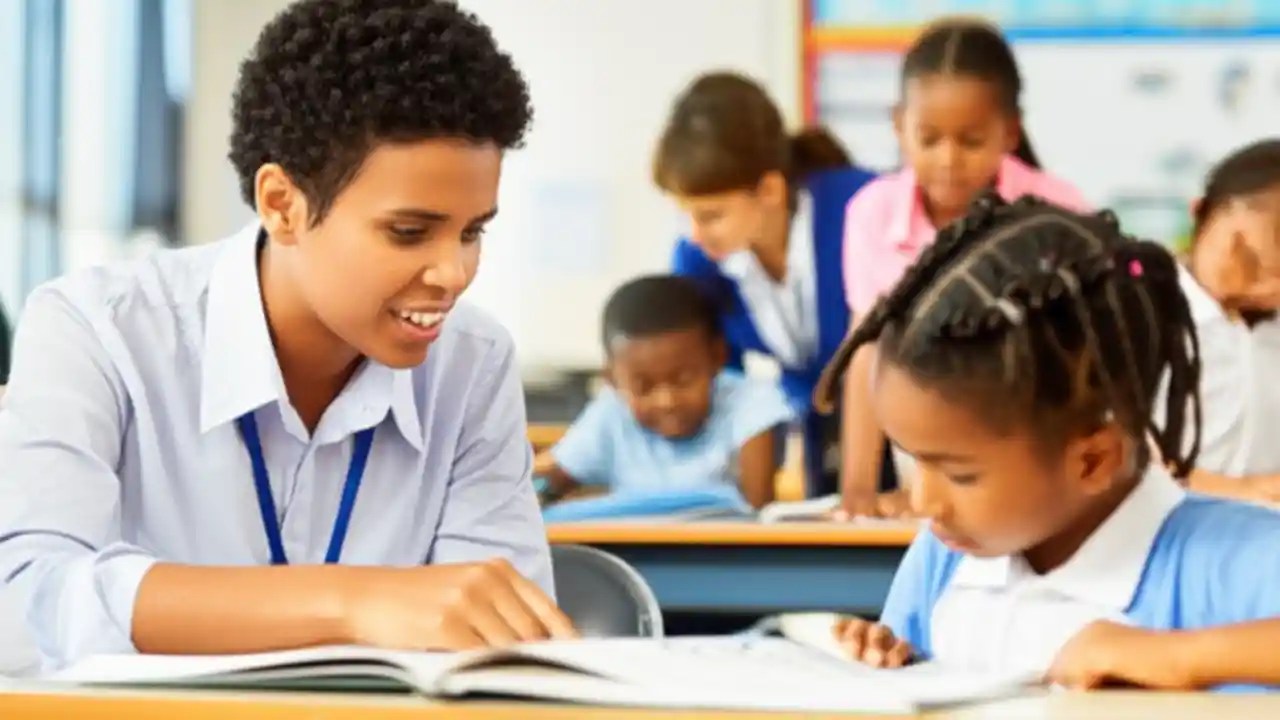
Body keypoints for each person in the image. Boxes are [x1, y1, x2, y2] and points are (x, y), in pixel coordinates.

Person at [0, 0, 574, 671]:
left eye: (473, 230)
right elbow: (21, 606)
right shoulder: (96, 330)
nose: (456, 272)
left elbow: (502, 638)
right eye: (410, 232)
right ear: (282, 204)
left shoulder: (472, 364)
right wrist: (350, 603)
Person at [818, 194, 1280, 690]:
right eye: (913, 461)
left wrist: (1174, 657)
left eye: (960, 475)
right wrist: (886, 666)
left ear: (1093, 460)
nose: (923, 501)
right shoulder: (947, 557)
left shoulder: (1241, 557)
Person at [838, 18, 1088, 518]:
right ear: (898, 124)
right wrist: (858, 489)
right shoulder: (872, 212)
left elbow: (1082, 355)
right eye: (929, 138)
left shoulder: (1056, 210)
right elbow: (868, 353)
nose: (949, 159)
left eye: (971, 140)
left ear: (1010, 132)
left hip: (1036, 461)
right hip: (923, 468)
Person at [654, 71, 876, 498]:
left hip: (902, 424)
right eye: (686, 214)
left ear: (770, 189)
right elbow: (720, 379)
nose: (695, 233)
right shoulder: (699, 257)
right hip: (817, 431)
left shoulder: (861, 208)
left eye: (712, 215)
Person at [536, 275, 794, 510]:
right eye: (644, 387)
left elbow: (758, 510)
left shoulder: (753, 403)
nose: (666, 401)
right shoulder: (610, 413)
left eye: (683, 380)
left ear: (718, 357)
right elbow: (547, 481)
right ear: (612, 381)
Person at [1179, 138, 1280, 502]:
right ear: (1199, 213)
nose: (1264, 282)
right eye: (1247, 257)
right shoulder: (1148, 318)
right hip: (1171, 529)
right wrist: (1245, 491)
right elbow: (1129, 461)